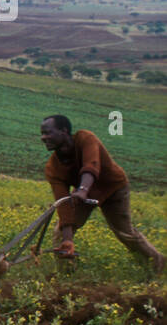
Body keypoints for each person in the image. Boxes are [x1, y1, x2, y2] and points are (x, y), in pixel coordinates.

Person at [40, 114, 164, 273]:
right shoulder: (53, 168)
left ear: (64, 131)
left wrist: (82, 190)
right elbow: (63, 204)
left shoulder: (85, 138)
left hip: (113, 188)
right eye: (42, 134)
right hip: (84, 195)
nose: (44, 137)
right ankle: (66, 275)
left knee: (125, 233)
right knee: (61, 233)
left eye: (48, 132)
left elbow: (91, 165)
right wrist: (68, 239)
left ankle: (157, 264)